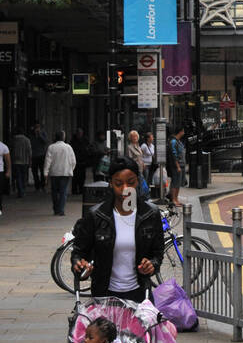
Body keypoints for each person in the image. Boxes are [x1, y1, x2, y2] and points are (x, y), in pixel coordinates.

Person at [71, 156, 164, 301]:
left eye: (131, 182)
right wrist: (81, 266)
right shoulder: (96, 215)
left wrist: (152, 265)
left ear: (138, 181)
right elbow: (79, 254)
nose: (125, 189)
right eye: (118, 183)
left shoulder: (150, 214)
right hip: (104, 295)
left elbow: (157, 254)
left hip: (139, 295)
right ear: (111, 184)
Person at [44, 130, 77, 216]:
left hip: (54, 173)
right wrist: (70, 169)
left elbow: (48, 161)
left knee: (54, 192)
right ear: (63, 137)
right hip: (65, 173)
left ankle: (56, 208)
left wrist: (45, 173)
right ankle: (61, 210)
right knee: (63, 192)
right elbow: (73, 161)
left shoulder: (51, 147)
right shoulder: (68, 147)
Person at [166, 126, 186, 205]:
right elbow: (174, 155)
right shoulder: (173, 141)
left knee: (178, 183)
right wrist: (177, 166)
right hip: (176, 166)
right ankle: (173, 199)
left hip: (181, 165)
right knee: (175, 183)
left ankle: (176, 199)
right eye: (183, 131)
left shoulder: (178, 141)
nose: (184, 133)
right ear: (180, 132)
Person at [11, 130, 30, 198]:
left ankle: (20, 191)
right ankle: (23, 190)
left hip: (15, 161)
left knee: (18, 177)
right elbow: (29, 151)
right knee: (24, 176)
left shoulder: (13, 140)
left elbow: (11, 150)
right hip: (25, 161)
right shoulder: (27, 140)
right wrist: (30, 160)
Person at [71, 128, 90, 195]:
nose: (79, 134)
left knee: (82, 177)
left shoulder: (85, 141)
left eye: (80, 133)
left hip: (83, 161)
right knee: (75, 177)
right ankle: (74, 190)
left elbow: (88, 150)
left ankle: (81, 190)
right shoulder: (73, 141)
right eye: (78, 133)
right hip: (75, 161)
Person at [29, 121, 48, 191]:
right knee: (34, 172)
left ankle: (43, 185)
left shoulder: (43, 133)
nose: (37, 128)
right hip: (34, 155)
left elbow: (45, 141)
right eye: (36, 127)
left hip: (41, 155)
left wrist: (39, 135)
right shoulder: (31, 135)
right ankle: (37, 186)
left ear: (40, 127)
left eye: (38, 127)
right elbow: (30, 144)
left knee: (42, 171)